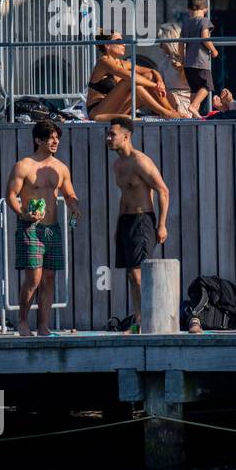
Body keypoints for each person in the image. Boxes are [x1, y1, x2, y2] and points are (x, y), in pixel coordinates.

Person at [4, 119, 82, 337]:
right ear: (38, 140)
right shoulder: (24, 165)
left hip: (52, 228)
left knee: (49, 277)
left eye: (57, 137)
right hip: (30, 227)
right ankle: (22, 322)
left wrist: (75, 206)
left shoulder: (60, 168)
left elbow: (69, 194)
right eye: (50, 138)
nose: (55, 141)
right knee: (34, 278)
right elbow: (10, 195)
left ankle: (43, 326)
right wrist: (22, 213)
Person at [105, 116, 169, 331]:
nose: (108, 138)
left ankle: (146, 322)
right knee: (132, 276)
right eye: (108, 134)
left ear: (126, 136)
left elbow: (163, 190)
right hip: (126, 221)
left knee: (138, 274)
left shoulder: (140, 161)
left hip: (142, 221)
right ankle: (139, 321)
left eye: (112, 134)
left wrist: (162, 224)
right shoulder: (117, 164)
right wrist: (118, 227)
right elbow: (124, 197)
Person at [84, 35, 187, 120]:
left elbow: (152, 71)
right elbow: (131, 76)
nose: (124, 44)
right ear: (107, 45)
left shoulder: (123, 63)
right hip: (98, 112)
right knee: (129, 81)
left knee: (148, 76)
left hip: (118, 109)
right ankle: (165, 113)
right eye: (119, 41)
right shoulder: (103, 62)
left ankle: (171, 111)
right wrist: (155, 85)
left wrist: (160, 82)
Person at [181, 0, 218, 116]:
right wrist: (214, 50)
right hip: (201, 61)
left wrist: (182, 59)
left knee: (194, 89)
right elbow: (205, 37)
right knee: (207, 86)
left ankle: (193, 115)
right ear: (205, 10)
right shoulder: (204, 21)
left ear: (189, 10)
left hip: (188, 64)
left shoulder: (185, 23)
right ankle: (193, 106)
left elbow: (181, 43)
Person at [156, 23, 194, 116]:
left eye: (162, 42)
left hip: (184, 104)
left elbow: (195, 84)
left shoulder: (189, 57)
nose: (160, 46)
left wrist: (182, 70)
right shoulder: (164, 62)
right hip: (167, 102)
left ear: (169, 42)